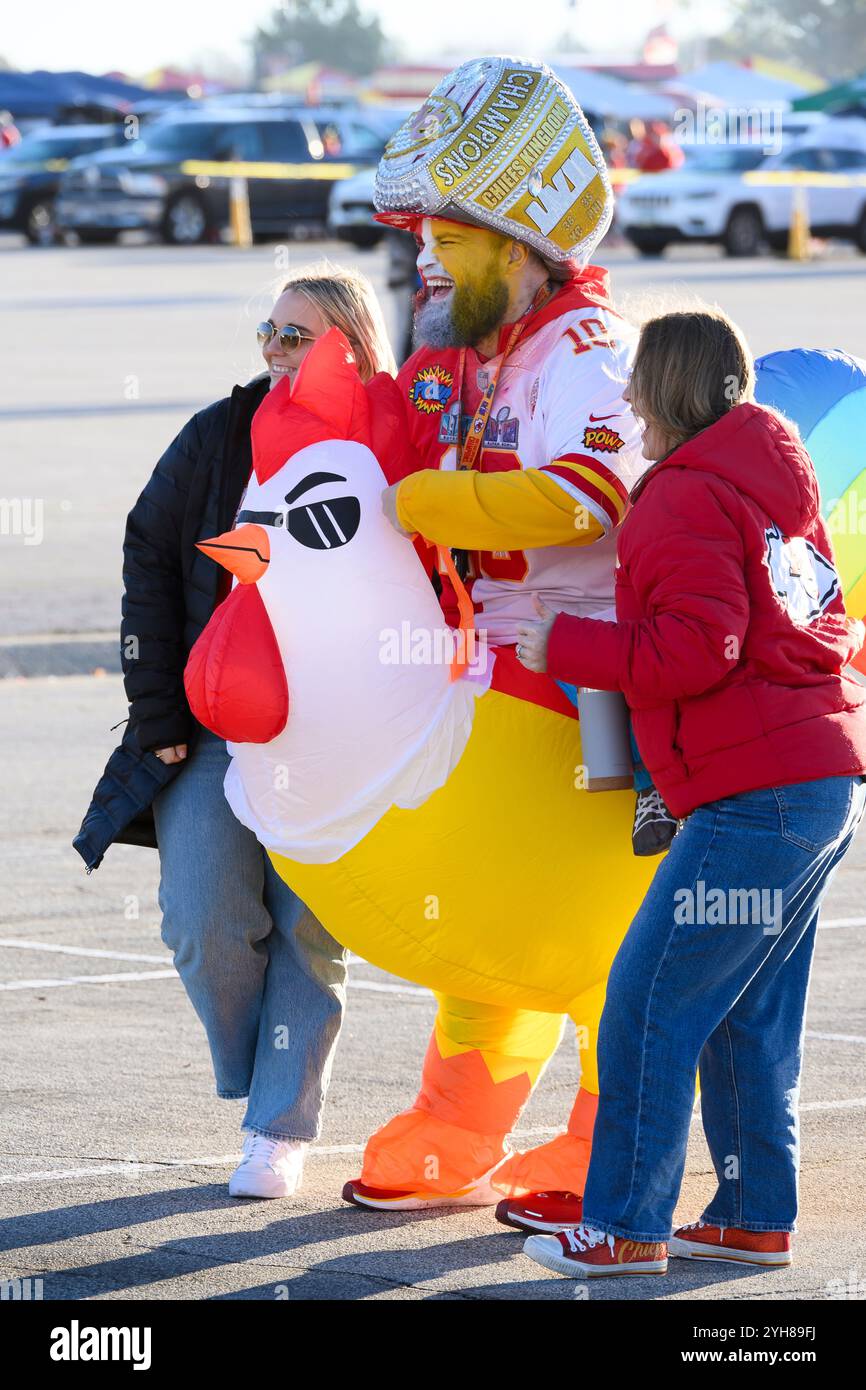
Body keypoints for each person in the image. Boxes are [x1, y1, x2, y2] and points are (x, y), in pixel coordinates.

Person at [323, 54, 659, 1214]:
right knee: (495, 918)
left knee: (601, 933)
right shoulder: (474, 356)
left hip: (596, 687)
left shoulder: (583, 353)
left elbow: (592, 496)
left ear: (516, 241)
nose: (422, 253)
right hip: (489, 670)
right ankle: (461, 1121)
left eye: (445, 232)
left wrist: (434, 505)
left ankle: (609, 1142)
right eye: (418, 230)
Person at [510, 307, 866, 1275]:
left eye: (635, 384)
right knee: (745, 1010)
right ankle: (753, 1211)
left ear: (664, 388)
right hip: (818, 781)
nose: (623, 401)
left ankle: (624, 1224)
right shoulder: (771, 482)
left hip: (755, 795)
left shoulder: (678, 497)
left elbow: (692, 648)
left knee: (647, 1002)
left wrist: (567, 645)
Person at [75, 267, 396, 1200]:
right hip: (217, 721)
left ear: (349, 342)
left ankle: (276, 1128)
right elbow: (147, 543)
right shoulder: (222, 433)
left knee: (308, 929)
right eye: (269, 329)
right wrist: (157, 711)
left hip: (341, 737)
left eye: (296, 335)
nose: (273, 349)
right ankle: (262, 1074)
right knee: (202, 917)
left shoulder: (386, 434)